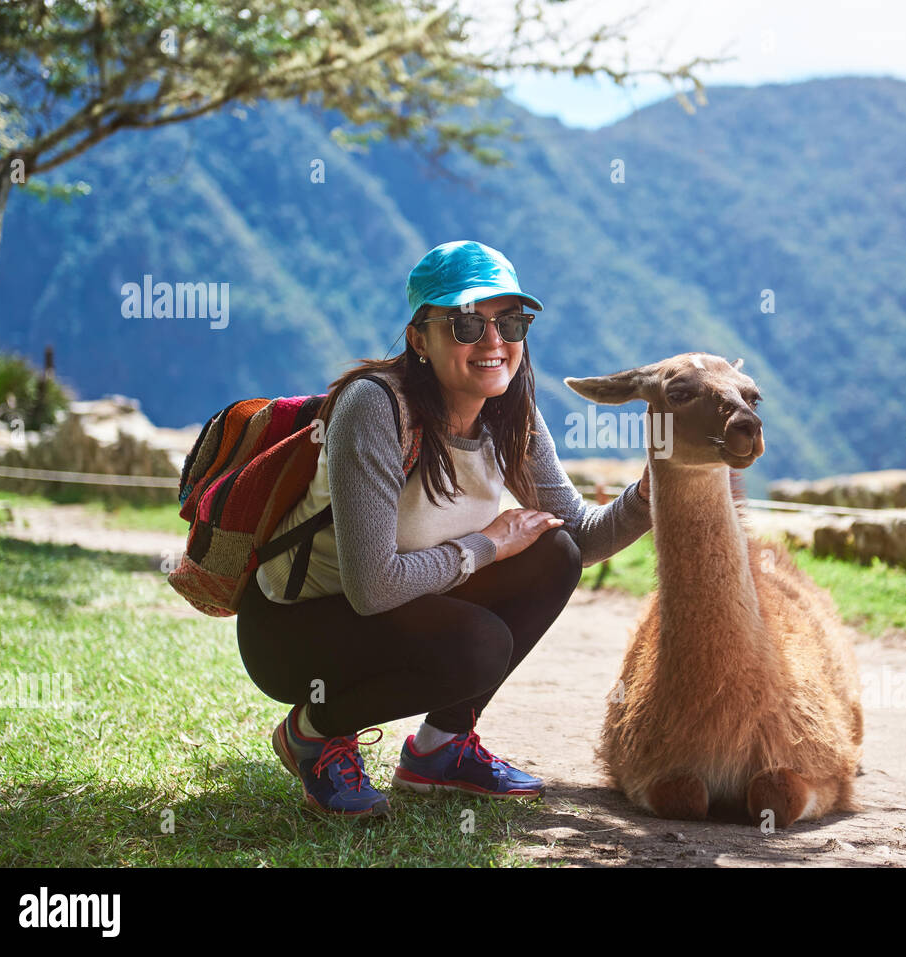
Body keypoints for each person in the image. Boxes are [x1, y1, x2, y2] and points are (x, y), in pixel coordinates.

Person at [235, 240, 653, 817]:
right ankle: (315, 731)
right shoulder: (376, 407)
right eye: (464, 324)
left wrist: (655, 492)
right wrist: (487, 545)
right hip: (296, 632)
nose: (493, 342)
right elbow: (372, 587)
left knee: (553, 551)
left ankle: (440, 751)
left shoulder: (512, 416)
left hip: (397, 610)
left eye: (510, 321)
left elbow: (580, 537)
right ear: (418, 339)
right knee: (480, 644)